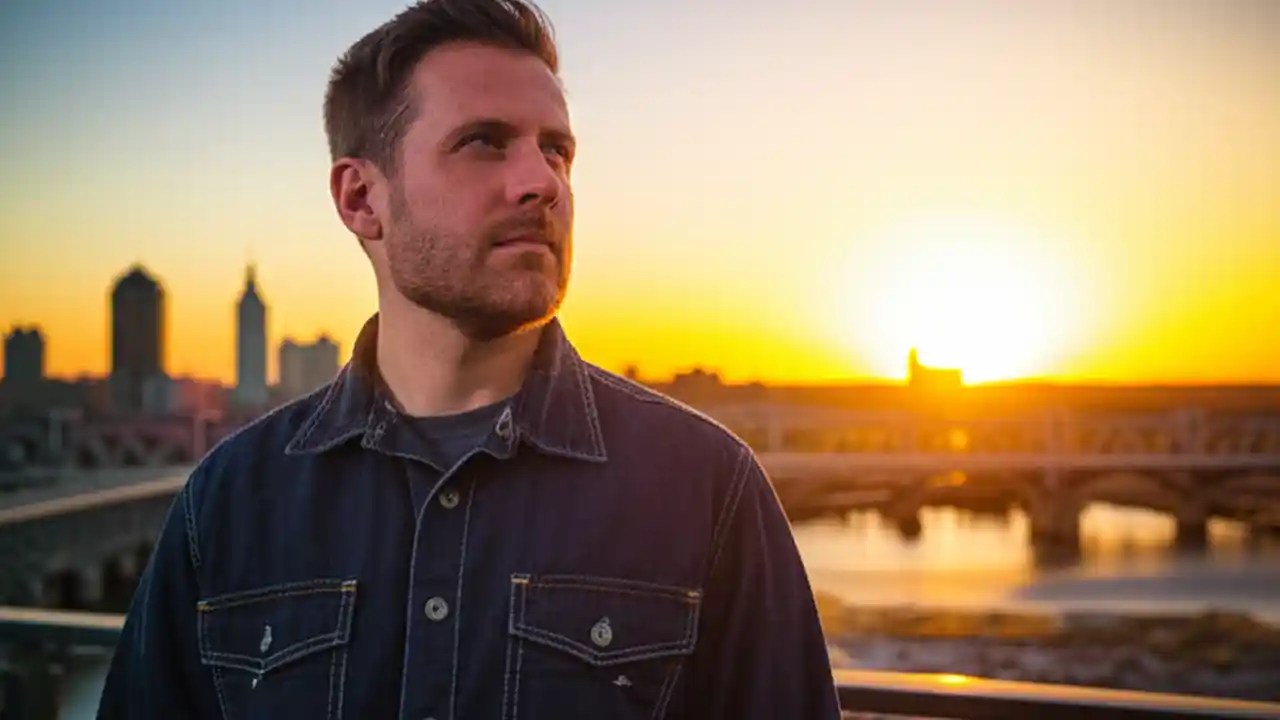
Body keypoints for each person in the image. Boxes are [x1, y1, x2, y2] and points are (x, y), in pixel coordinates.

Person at [97, 1, 840, 717]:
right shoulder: (229, 501)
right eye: (484, 141)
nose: (542, 182)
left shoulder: (707, 489)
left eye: (557, 150)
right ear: (362, 198)